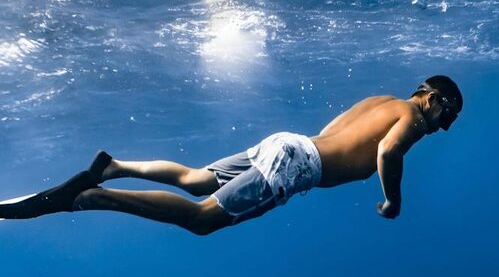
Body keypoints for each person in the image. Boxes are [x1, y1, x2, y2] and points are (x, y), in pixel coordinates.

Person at [0, 75, 462, 235]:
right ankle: (91, 197)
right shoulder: (412, 118)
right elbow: (387, 151)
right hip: (298, 164)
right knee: (202, 219)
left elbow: (335, 133)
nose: (443, 125)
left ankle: (115, 166)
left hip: (289, 144)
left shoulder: (381, 101)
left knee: (199, 179)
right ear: (431, 97)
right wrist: (393, 200)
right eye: (447, 113)